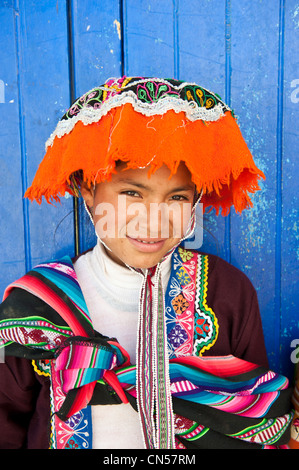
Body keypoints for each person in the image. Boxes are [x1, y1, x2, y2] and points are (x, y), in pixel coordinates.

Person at [0, 77, 294, 449]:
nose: (154, 221)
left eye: (176, 197)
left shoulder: (228, 293)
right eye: (131, 192)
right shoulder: (36, 306)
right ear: (88, 190)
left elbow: (255, 418)